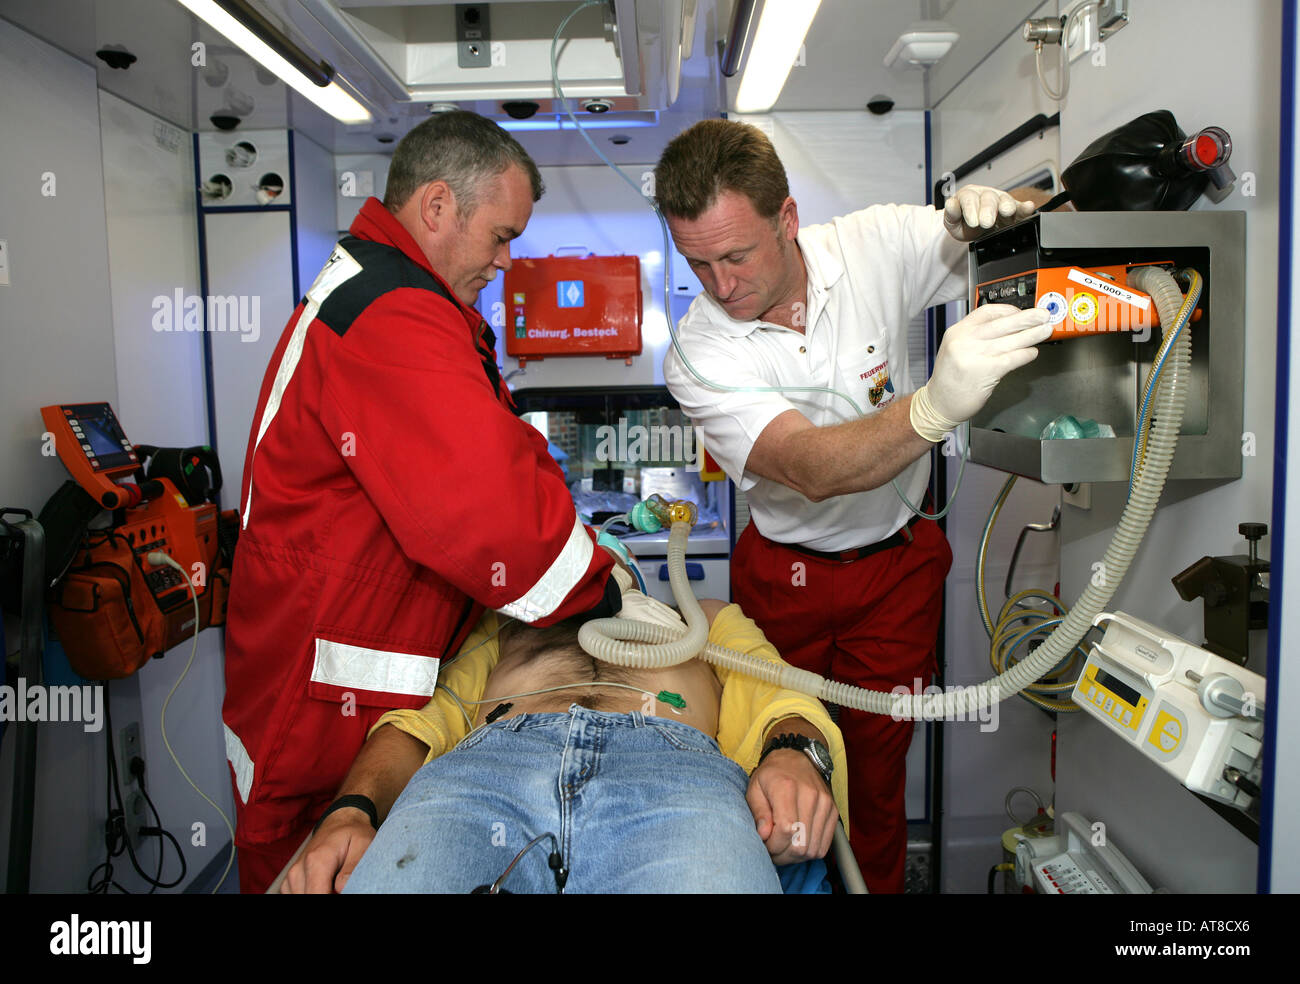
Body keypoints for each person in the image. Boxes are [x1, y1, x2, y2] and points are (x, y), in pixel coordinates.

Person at [222, 111, 626, 893]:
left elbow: (505, 450)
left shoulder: (408, 304)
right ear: (438, 207)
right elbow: (496, 516)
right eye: (501, 236)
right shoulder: (392, 316)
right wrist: (601, 586)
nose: (508, 262)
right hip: (322, 709)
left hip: (339, 691)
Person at [653, 119, 1053, 893]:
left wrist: (1009, 208)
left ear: (788, 219)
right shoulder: (699, 350)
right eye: (698, 263)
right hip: (783, 579)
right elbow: (809, 468)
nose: (721, 284)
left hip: (893, 575)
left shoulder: (873, 245)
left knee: (873, 782)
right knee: (776, 767)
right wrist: (934, 409)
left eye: (737, 255)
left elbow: (1047, 225)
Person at [280, 584, 847, 894]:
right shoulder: (507, 624)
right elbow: (423, 721)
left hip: (669, 773)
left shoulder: (700, 617)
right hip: (489, 770)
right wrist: (350, 810)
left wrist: (797, 753)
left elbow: (778, 691)